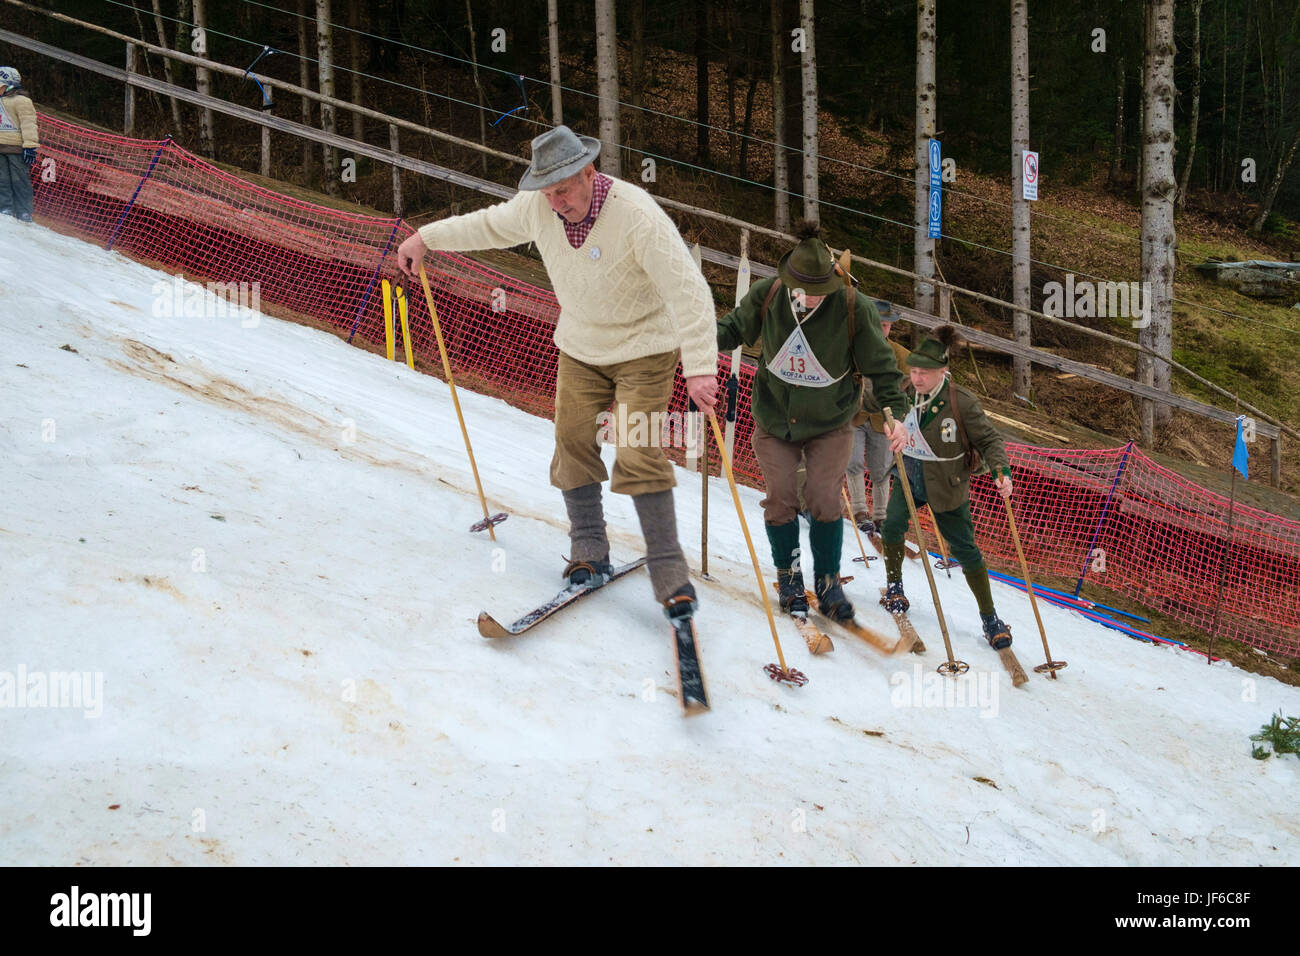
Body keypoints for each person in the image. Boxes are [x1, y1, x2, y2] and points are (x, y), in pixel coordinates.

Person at [396, 126, 718, 624]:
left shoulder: (636, 214)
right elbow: (486, 225)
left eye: (563, 189)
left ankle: (670, 577)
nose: (555, 201)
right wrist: (426, 237)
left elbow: (689, 292)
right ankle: (588, 548)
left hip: (645, 350)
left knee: (636, 452)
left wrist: (699, 368)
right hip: (582, 346)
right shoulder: (537, 207)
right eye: (547, 192)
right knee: (571, 440)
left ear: (589, 172)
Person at [715, 222, 907, 621]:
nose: (812, 298)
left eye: (821, 291)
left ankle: (827, 582)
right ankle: (788, 576)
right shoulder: (767, 294)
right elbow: (733, 329)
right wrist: (698, 336)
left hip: (831, 422)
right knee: (782, 496)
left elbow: (883, 367)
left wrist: (894, 415)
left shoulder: (854, 307)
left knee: (822, 498)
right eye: (805, 290)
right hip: (775, 418)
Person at [878, 324, 1016, 649]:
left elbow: (990, 439)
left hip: (947, 483)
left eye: (924, 373)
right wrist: (892, 423)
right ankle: (894, 584)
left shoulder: (962, 402)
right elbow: (892, 410)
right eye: (913, 371)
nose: (917, 378)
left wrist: (1001, 470)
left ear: (943, 371)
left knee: (965, 548)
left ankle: (989, 617)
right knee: (892, 525)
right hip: (909, 476)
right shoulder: (906, 392)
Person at [845, 301, 910, 534]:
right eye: (880, 324)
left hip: (883, 420)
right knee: (852, 461)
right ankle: (860, 511)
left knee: (881, 467)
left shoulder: (900, 354)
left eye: (887, 325)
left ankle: (881, 516)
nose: (884, 329)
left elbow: (915, 380)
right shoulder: (853, 346)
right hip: (854, 415)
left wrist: (901, 414)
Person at [0, 66, 38, 223]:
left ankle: (24, 211)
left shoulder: (22, 101)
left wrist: (30, 145)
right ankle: (5, 207)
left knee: (20, 180)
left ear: (9, 85)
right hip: (0, 146)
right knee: (2, 180)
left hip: (16, 148)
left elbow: (29, 123)